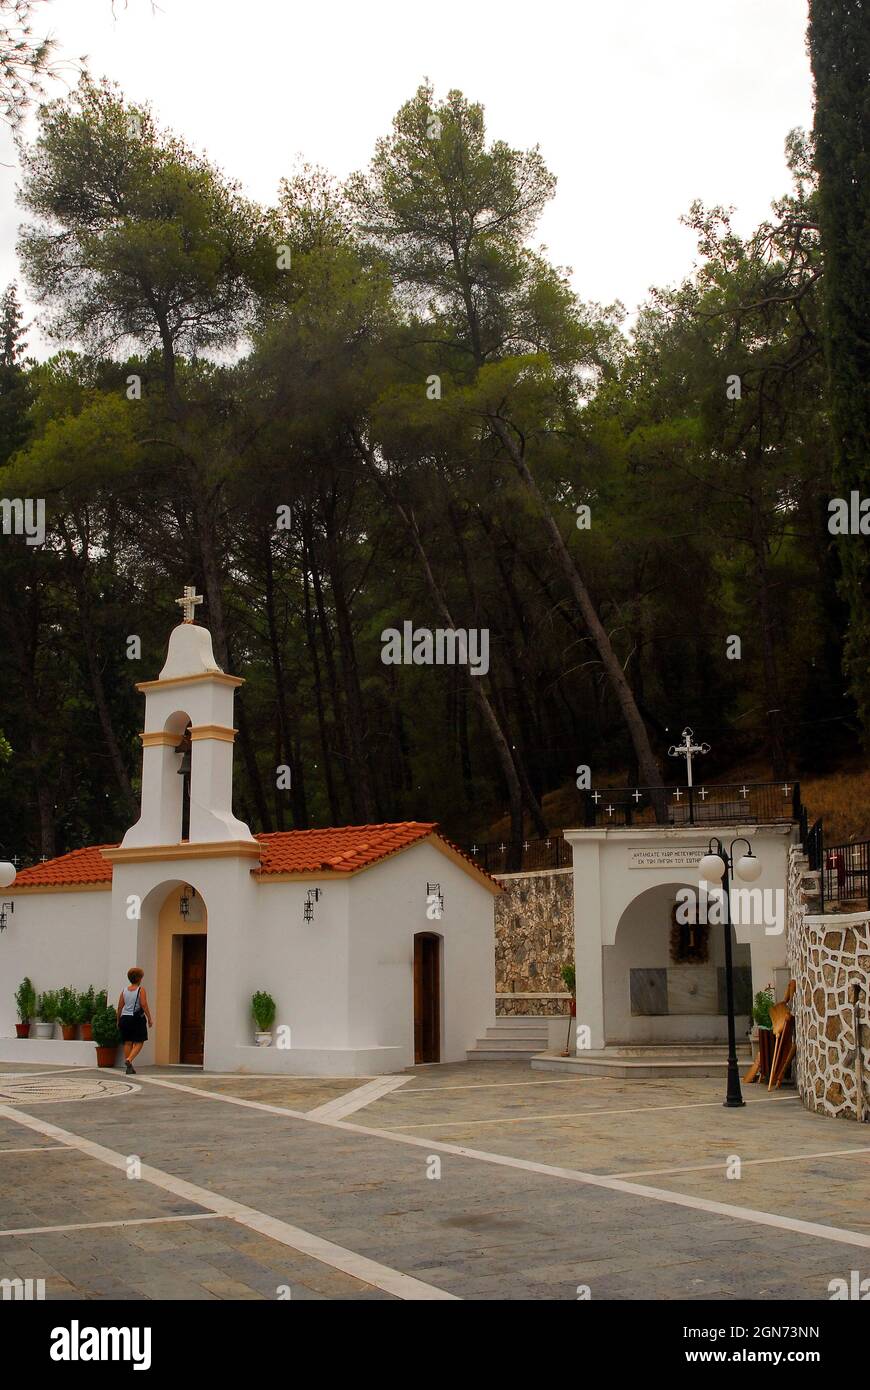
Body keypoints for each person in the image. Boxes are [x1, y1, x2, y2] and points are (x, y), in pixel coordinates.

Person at [117, 967, 153, 1075]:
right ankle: (129, 1059)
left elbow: (119, 1007)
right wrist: (149, 1018)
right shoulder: (140, 990)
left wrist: (118, 1020)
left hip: (125, 1018)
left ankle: (129, 1067)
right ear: (139, 978)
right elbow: (143, 1004)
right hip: (136, 1018)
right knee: (139, 1041)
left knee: (128, 1042)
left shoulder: (124, 990)